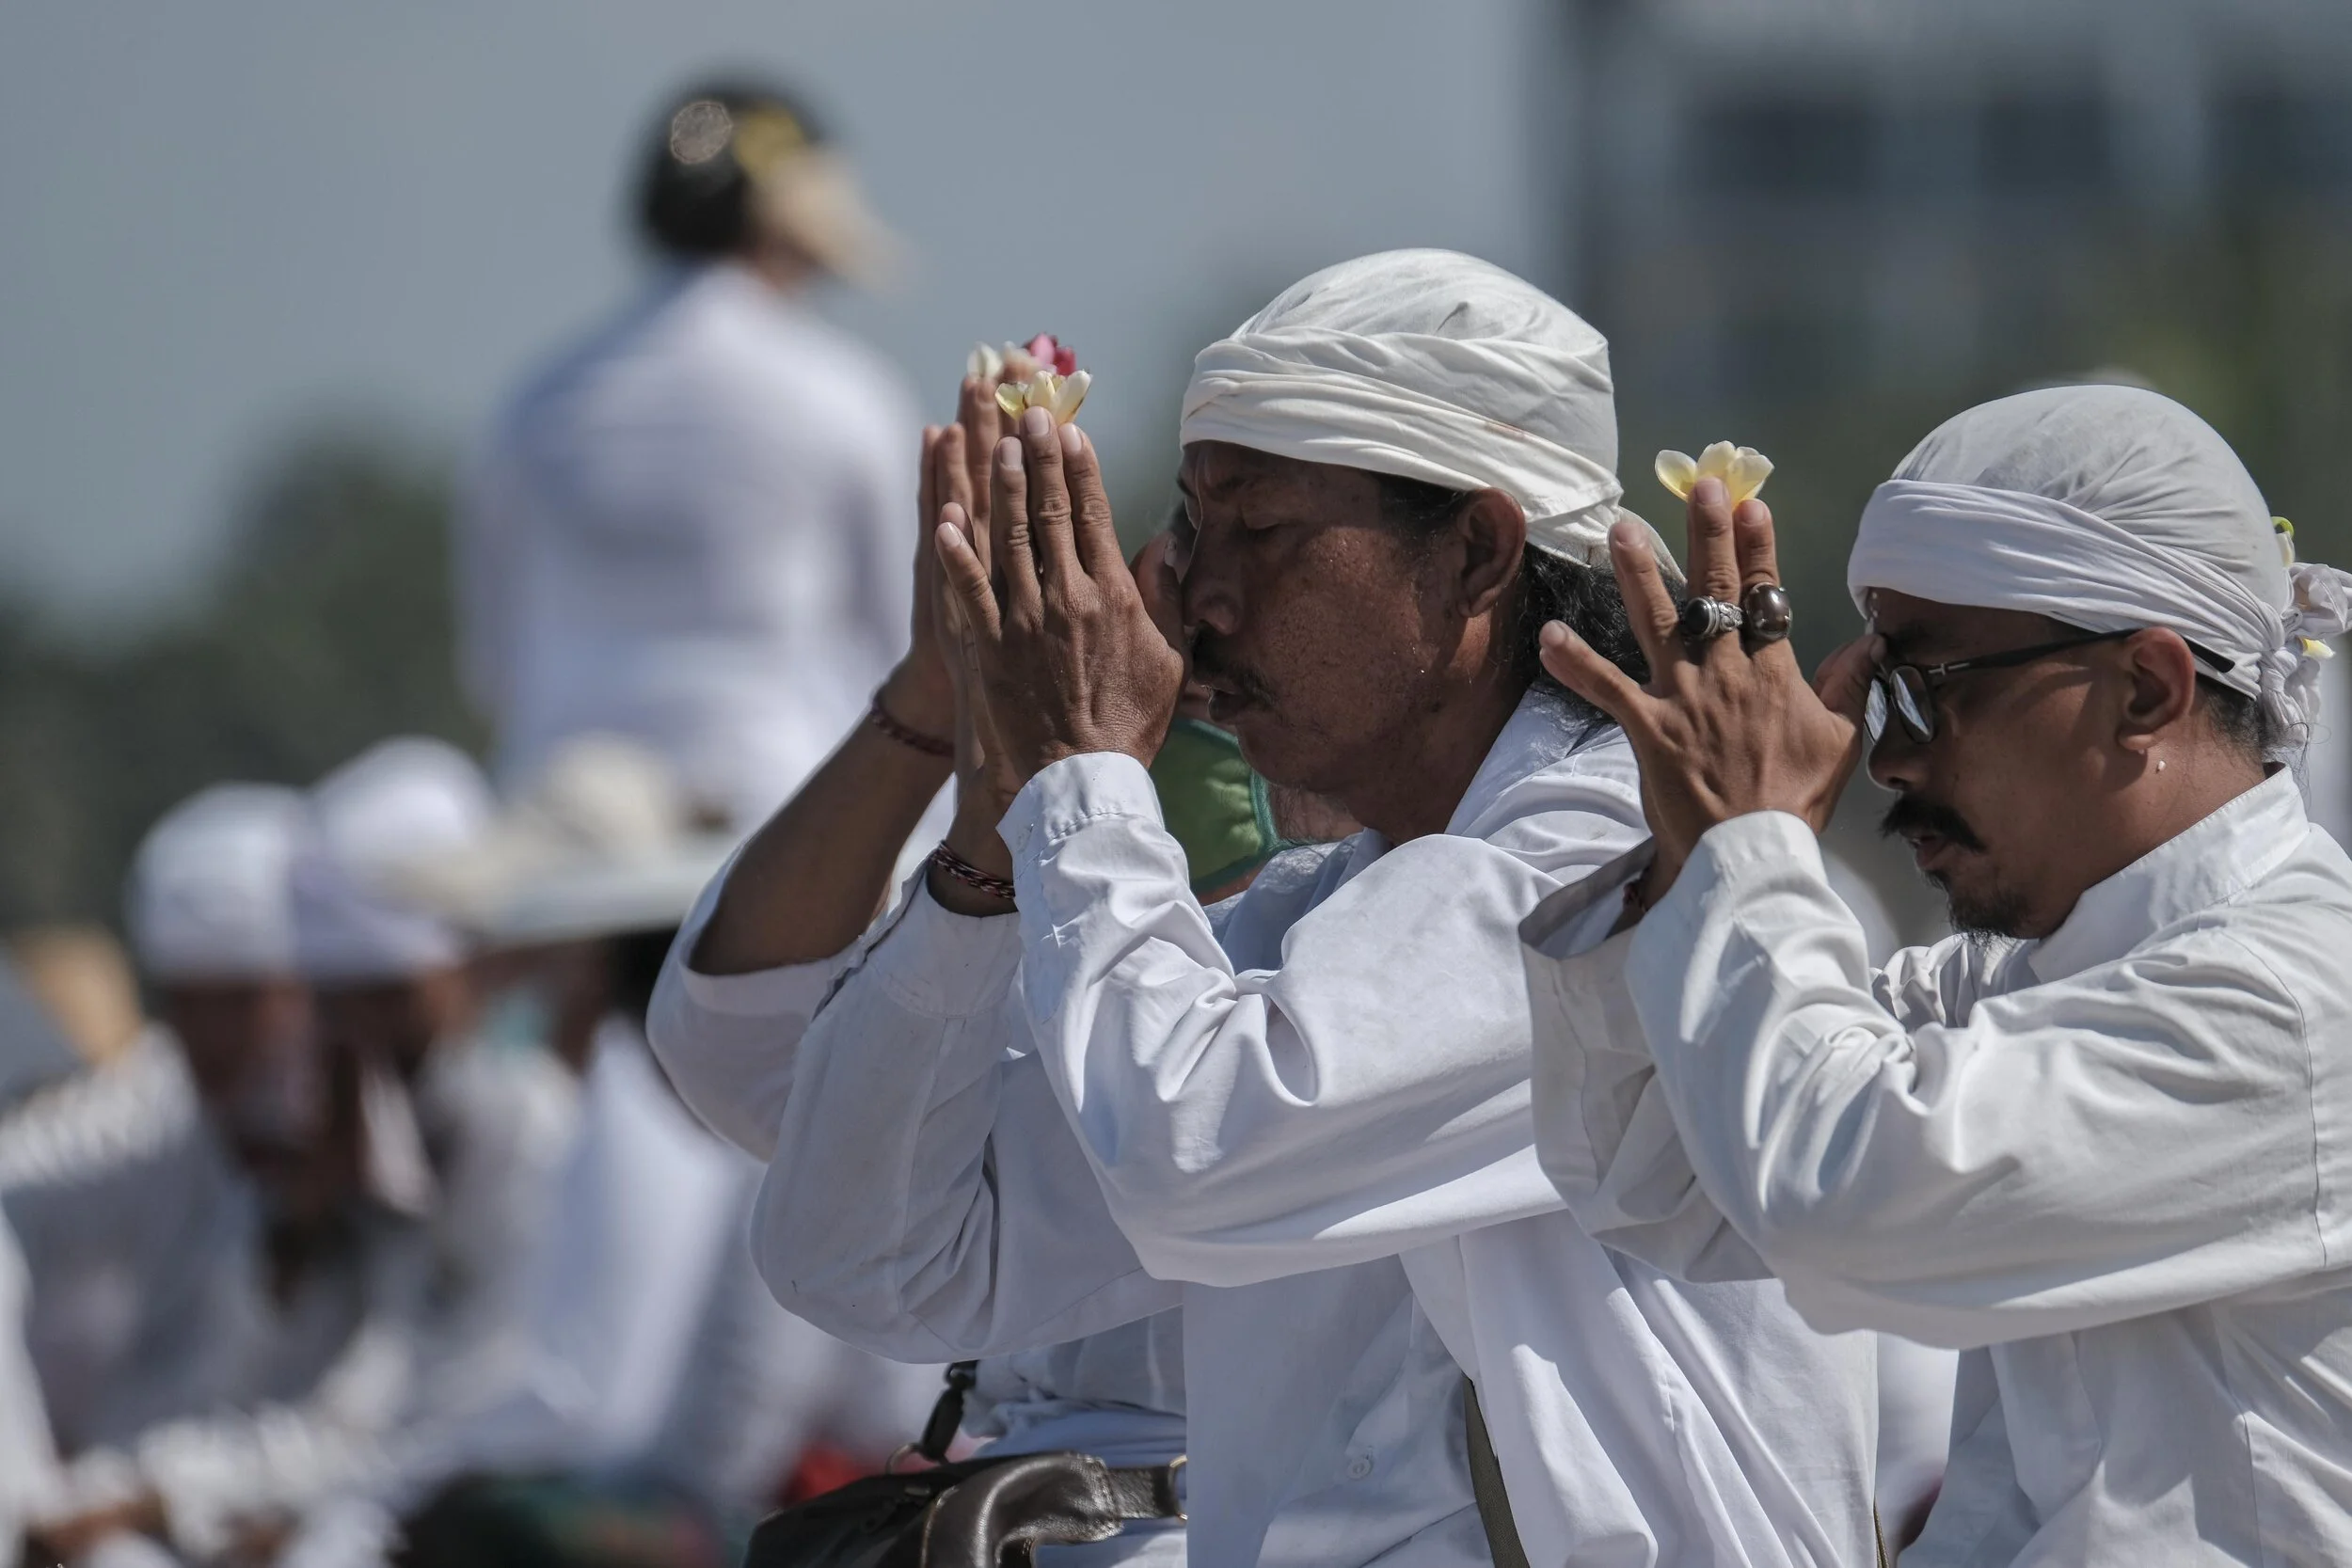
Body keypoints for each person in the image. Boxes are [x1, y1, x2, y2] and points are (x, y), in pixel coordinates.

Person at [660, 250, 1878, 1566]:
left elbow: (1193, 1151)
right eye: (1194, 527)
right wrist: (990, 827)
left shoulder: (1613, 864)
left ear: (1476, 552)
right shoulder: (1315, 915)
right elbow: (861, 1257)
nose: (1203, 598)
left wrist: (1084, 773)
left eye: (1263, 531)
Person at [1520, 383, 2352, 1564]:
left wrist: (1746, 839)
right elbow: (1654, 1172)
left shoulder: (2293, 1000)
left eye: (1929, 685)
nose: (1888, 755)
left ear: (2147, 689)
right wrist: (1684, 853)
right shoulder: (2023, 977)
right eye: (1877, 693)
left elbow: (1839, 1204)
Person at [458, 77, 917, 830]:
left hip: (559, 810)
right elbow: (904, 647)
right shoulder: (845, 395)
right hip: (788, 813)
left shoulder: (535, 404)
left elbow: (492, 666)